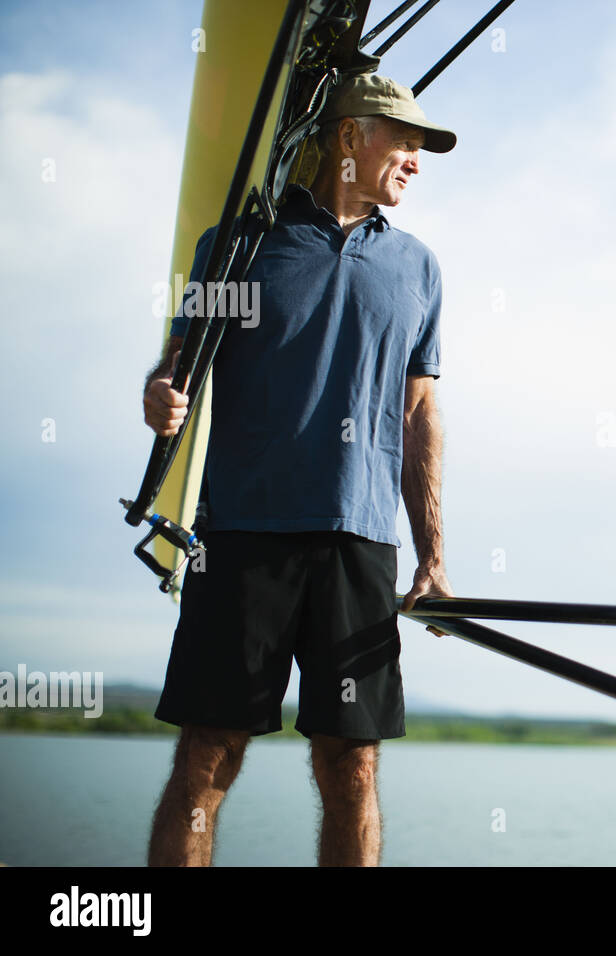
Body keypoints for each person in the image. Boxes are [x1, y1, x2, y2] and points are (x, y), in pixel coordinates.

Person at [141, 75, 455, 866]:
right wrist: (162, 392)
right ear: (350, 137)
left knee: (352, 764)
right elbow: (180, 365)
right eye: (405, 141)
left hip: (359, 544)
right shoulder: (239, 245)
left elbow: (419, 417)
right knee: (208, 757)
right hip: (242, 534)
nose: (416, 161)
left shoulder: (419, 268)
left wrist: (434, 554)